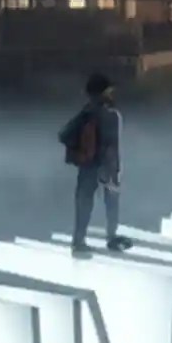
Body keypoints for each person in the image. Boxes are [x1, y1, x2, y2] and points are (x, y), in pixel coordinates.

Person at [61, 73, 132, 259]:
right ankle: (111, 237)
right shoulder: (112, 115)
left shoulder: (85, 113)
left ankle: (78, 241)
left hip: (86, 166)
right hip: (105, 167)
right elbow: (112, 145)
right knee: (111, 203)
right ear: (103, 92)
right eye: (109, 90)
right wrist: (114, 171)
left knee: (83, 203)